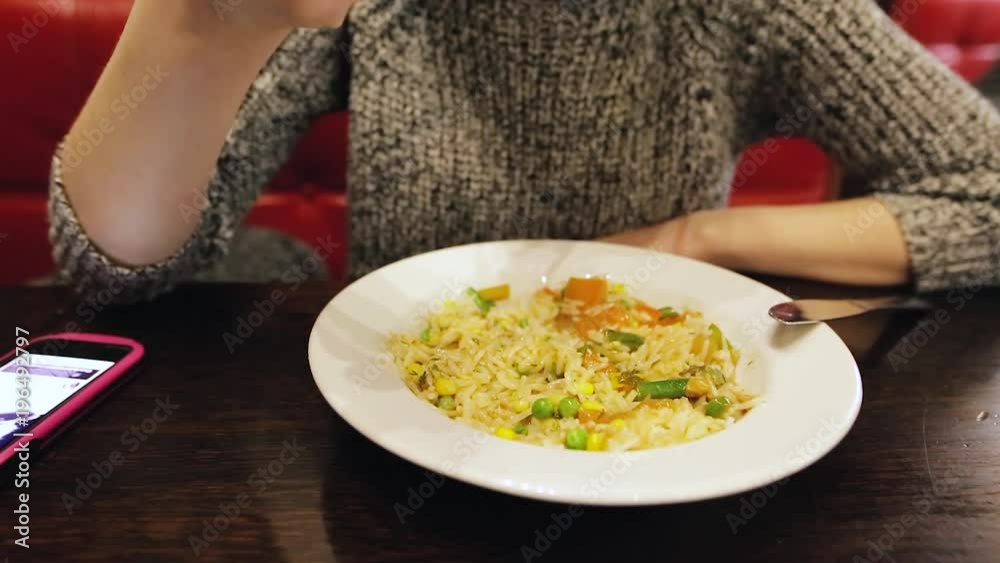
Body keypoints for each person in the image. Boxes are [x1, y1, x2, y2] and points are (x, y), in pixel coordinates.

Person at [50, 0, 1000, 303]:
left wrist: (697, 239)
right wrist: (205, 25)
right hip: (396, 422)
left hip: (652, 441)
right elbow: (116, 271)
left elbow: (986, 190)